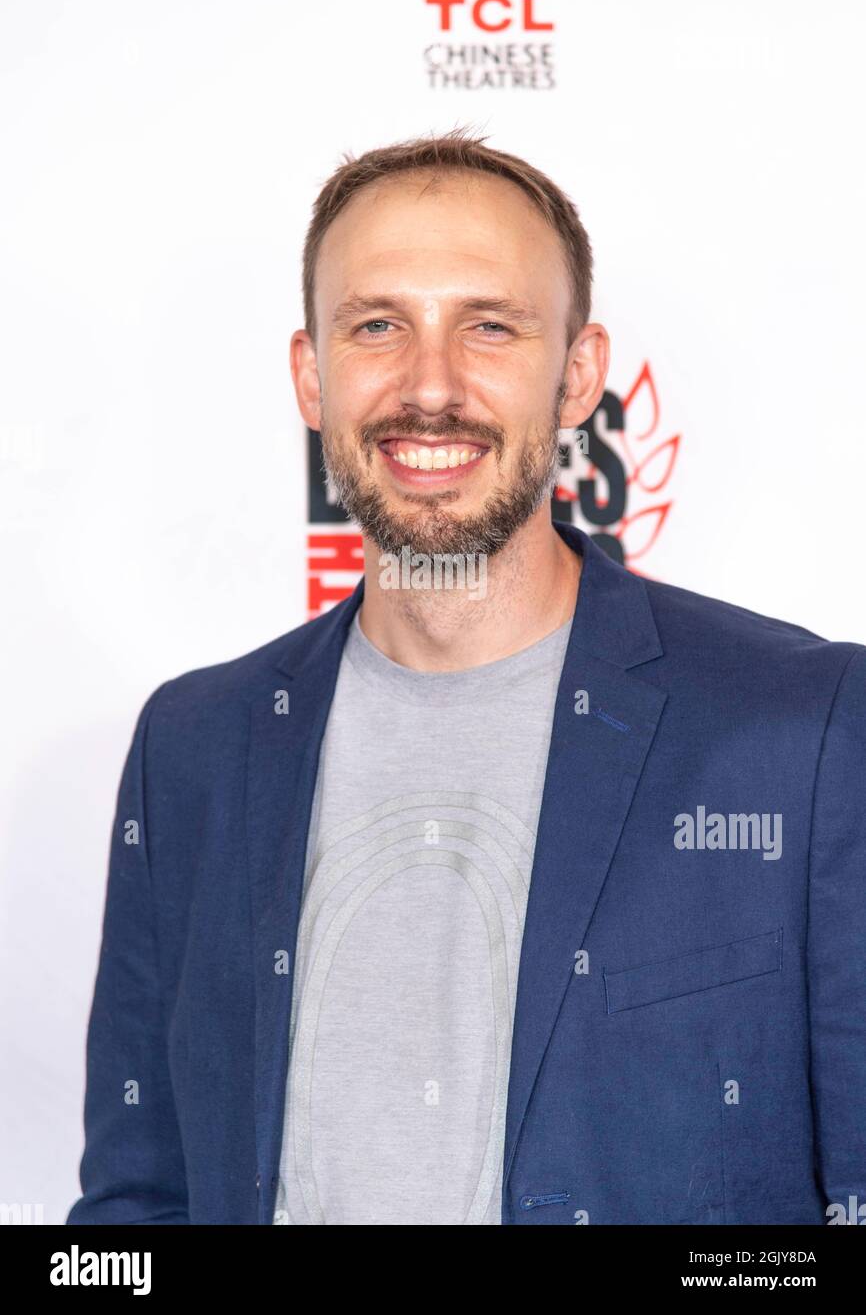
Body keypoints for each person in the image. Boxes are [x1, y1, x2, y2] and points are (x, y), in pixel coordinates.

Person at [67, 129, 866, 1226]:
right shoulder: (194, 745)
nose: (428, 387)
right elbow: (137, 1203)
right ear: (311, 374)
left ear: (577, 373)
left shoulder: (801, 728)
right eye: (377, 326)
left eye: (487, 325)